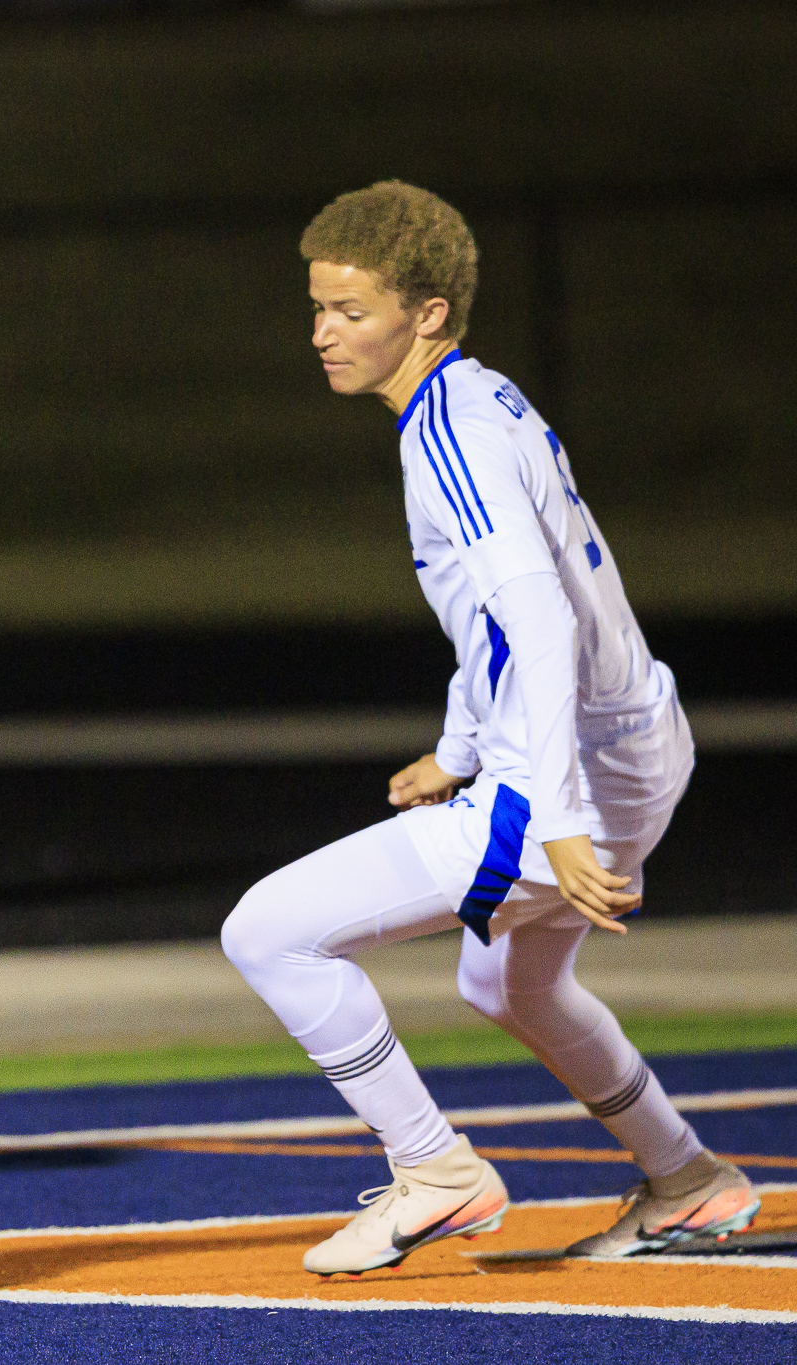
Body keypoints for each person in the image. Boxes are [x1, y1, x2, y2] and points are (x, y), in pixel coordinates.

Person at [219, 181, 757, 1277]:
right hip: (633, 736)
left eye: (350, 311)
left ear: (425, 314)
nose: (321, 332)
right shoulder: (477, 399)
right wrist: (457, 749)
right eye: (316, 307)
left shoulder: (446, 433)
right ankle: (688, 1180)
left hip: (572, 768)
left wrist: (550, 813)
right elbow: (507, 619)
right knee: (508, 984)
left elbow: (536, 619)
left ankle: (434, 1172)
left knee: (265, 932)